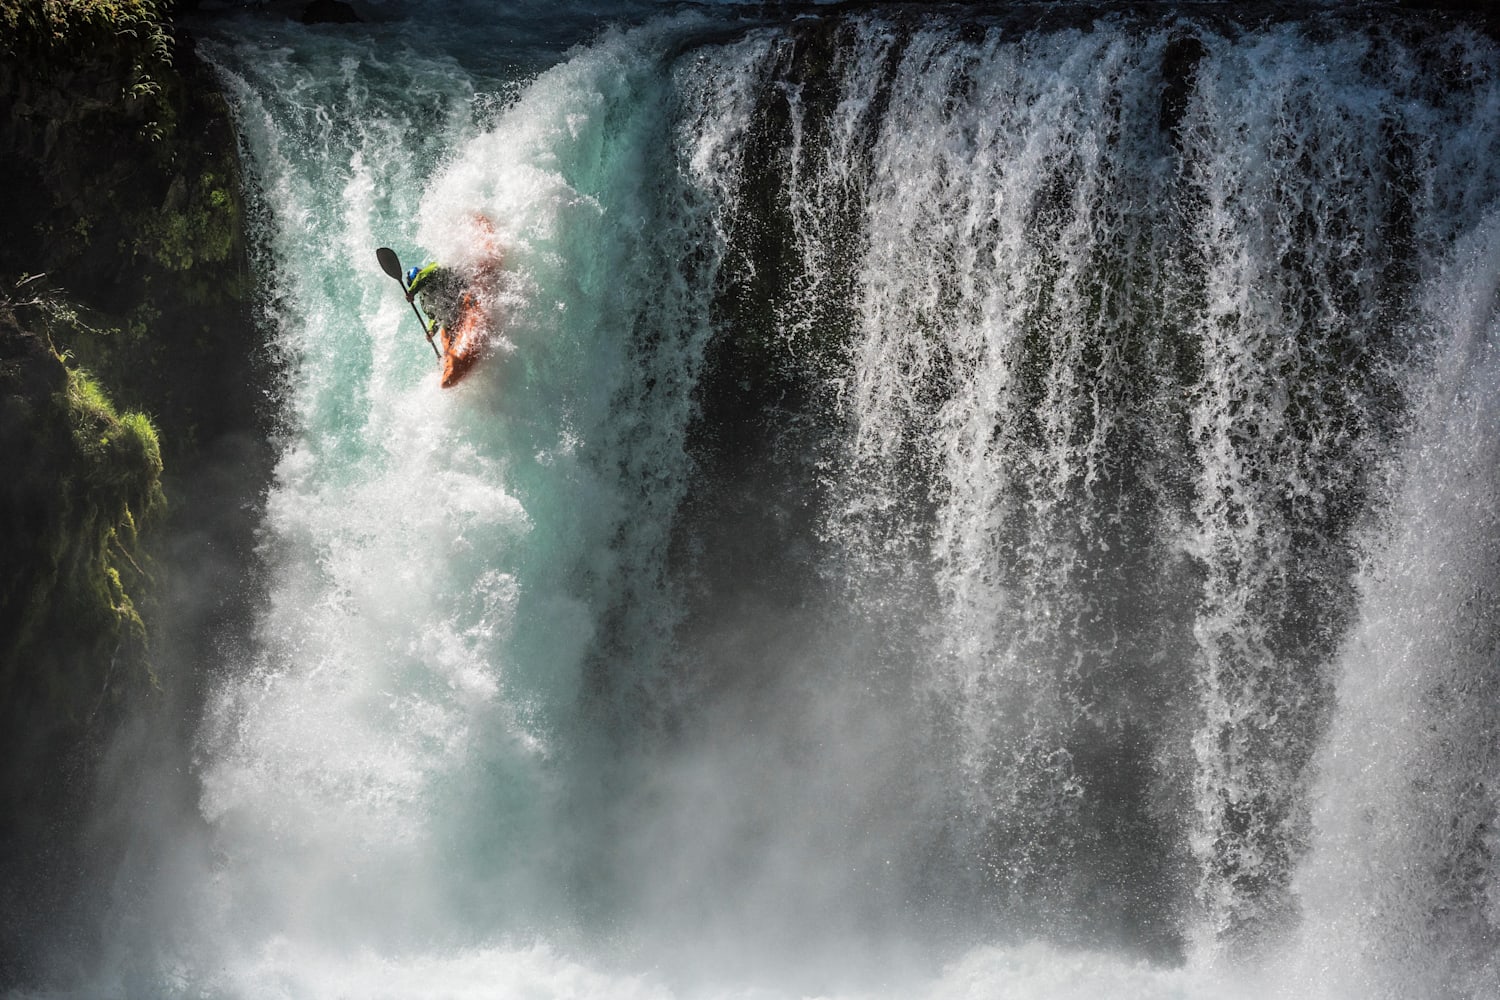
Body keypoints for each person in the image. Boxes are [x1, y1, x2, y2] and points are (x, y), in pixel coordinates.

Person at [404, 261, 465, 345]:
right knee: (447, 330)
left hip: (463, 293)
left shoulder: (432, 269)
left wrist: (411, 291)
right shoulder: (424, 299)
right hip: (454, 312)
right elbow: (434, 316)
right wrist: (431, 330)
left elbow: (423, 275)